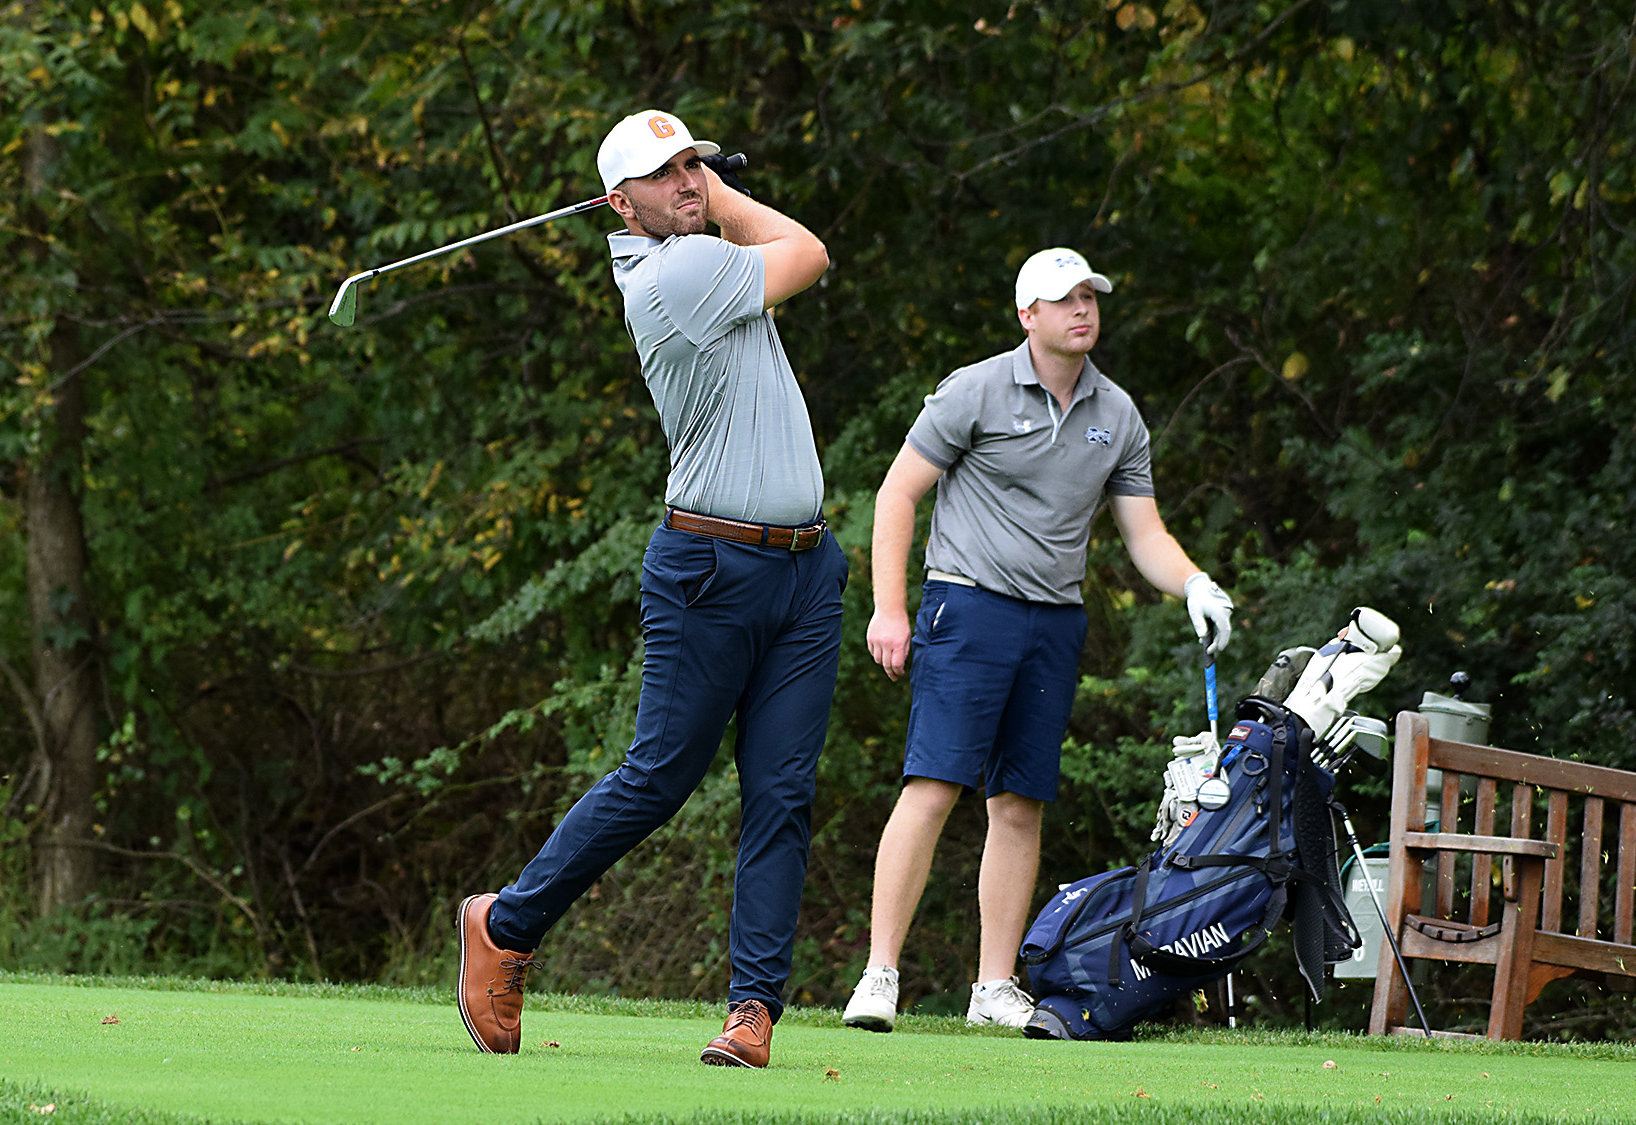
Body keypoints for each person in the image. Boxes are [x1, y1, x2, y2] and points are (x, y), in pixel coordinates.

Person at [455, 109, 844, 1070]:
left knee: (783, 793)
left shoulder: (697, 258)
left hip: (806, 569)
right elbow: (810, 251)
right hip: (710, 568)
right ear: (621, 204)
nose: (690, 183)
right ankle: (506, 922)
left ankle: (752, 1011)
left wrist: (703, 189)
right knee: (663, 772)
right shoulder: (677, 273)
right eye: (667, 174)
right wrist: (722, 195)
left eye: (694, 166)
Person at [840, 248, 1235, 1032]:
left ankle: (992, 988)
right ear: (1028, 315)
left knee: (1020, 804)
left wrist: (1193, 581)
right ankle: (879, 975)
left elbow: (1142, 530)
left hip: (1055, 620)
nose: (1082, 309)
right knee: (933, 784)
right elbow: (898, 492)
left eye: (1090, 296)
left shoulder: (1117, 414)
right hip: (968, 606)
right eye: (1064, 300)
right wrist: (890, 609)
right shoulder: (975, 390)